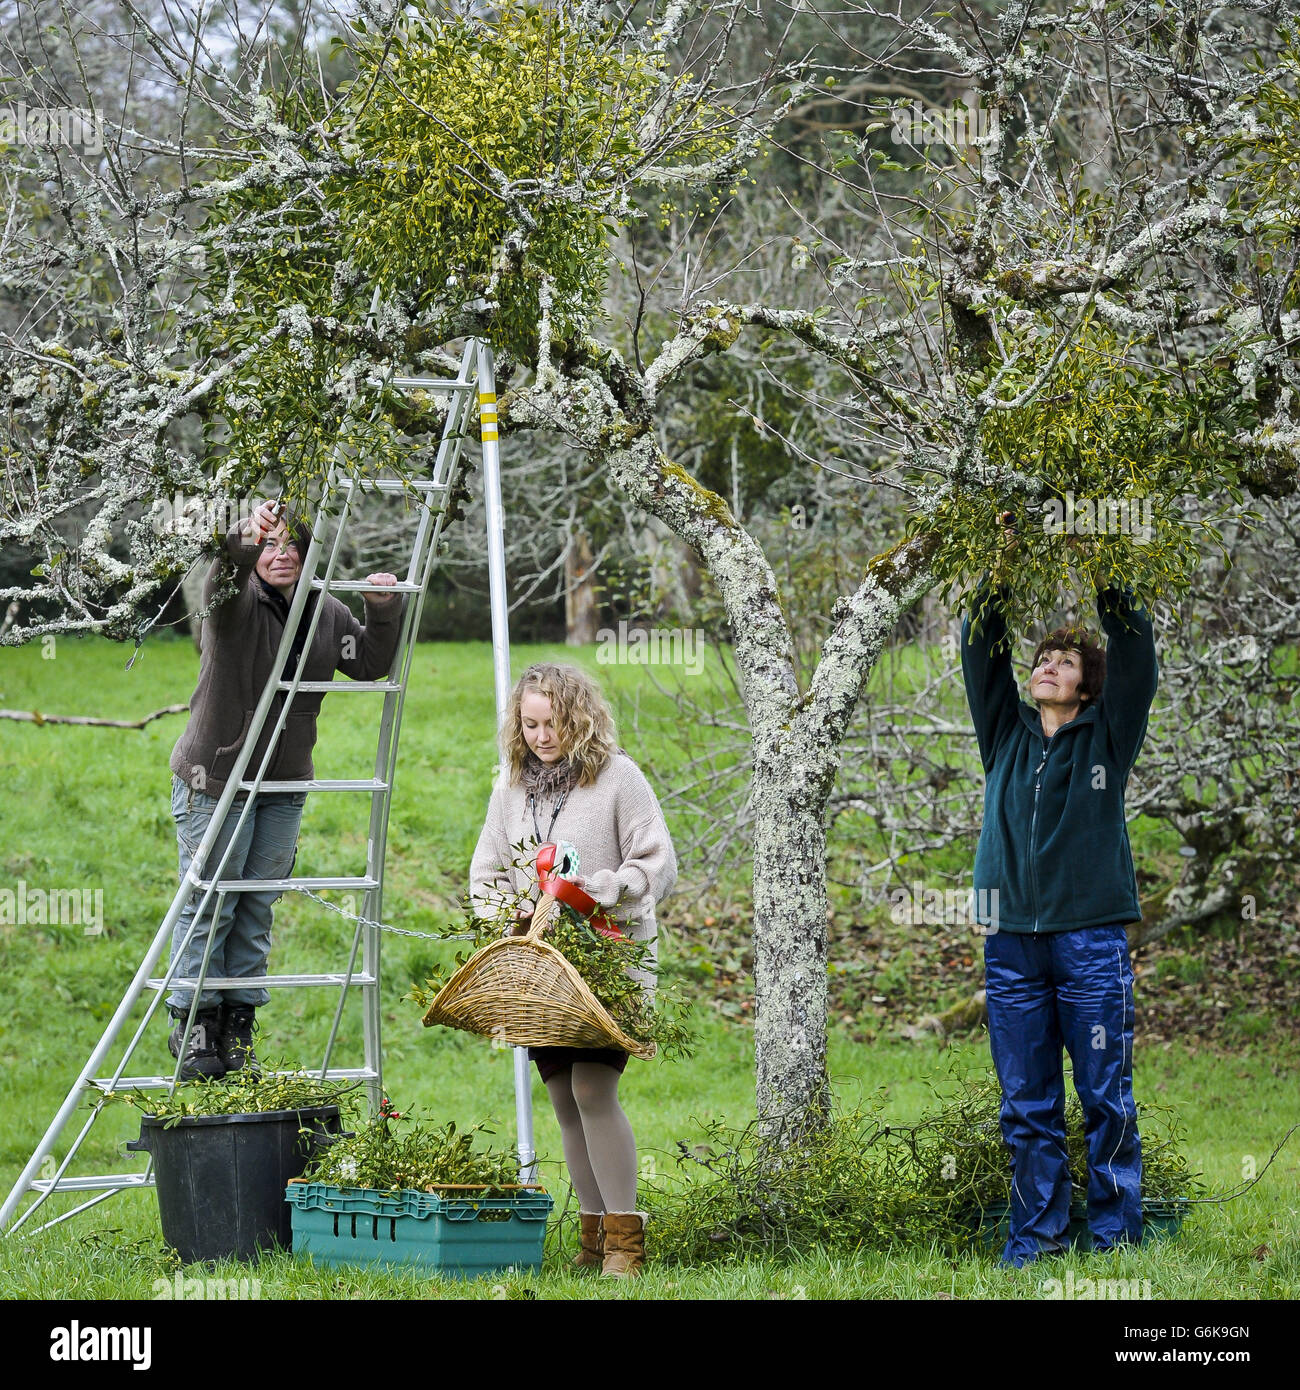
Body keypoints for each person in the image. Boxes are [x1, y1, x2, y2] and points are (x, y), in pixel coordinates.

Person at [961, 524, 1158, 1268]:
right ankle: (1036, 1235)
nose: (1046, 667)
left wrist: (1103, 563)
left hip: (1090, 940)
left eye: (1065, 661)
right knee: (1026, 1100)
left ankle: (1114, 1235)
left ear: (1089, 682)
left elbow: (1137, 652)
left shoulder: (1109, 735)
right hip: (1009, 943)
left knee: (1104, 1089)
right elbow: (979, 645)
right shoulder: (1004, 735)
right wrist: (1000, 561)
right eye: (1041, 659)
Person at [166, 498, 402, 1080]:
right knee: (212, 901)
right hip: (217, 779)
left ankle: (240, 1024)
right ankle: (195, 1023)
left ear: (309, 554)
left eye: (292, 545)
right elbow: (225, 566)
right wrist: (246, 536)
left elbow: (367, 662)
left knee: (256, 903)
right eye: (271, 546)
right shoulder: (231, 601)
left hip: (283, 783)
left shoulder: (323, 611)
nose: (281, 555)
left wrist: (381, 609)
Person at [470, 662, 677, 1278]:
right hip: (542, 975)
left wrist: (611, 887)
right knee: (563, 1097)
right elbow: (484, 873)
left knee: (593, 1088)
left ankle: (626, 1241)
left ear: (578, 717)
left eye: (552, 722)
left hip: (608, 964)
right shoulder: (509, 788)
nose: (540, 736)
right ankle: (592, 1238)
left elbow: (659, 861)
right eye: (529, 724)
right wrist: (507, 912)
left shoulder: (618, 777)